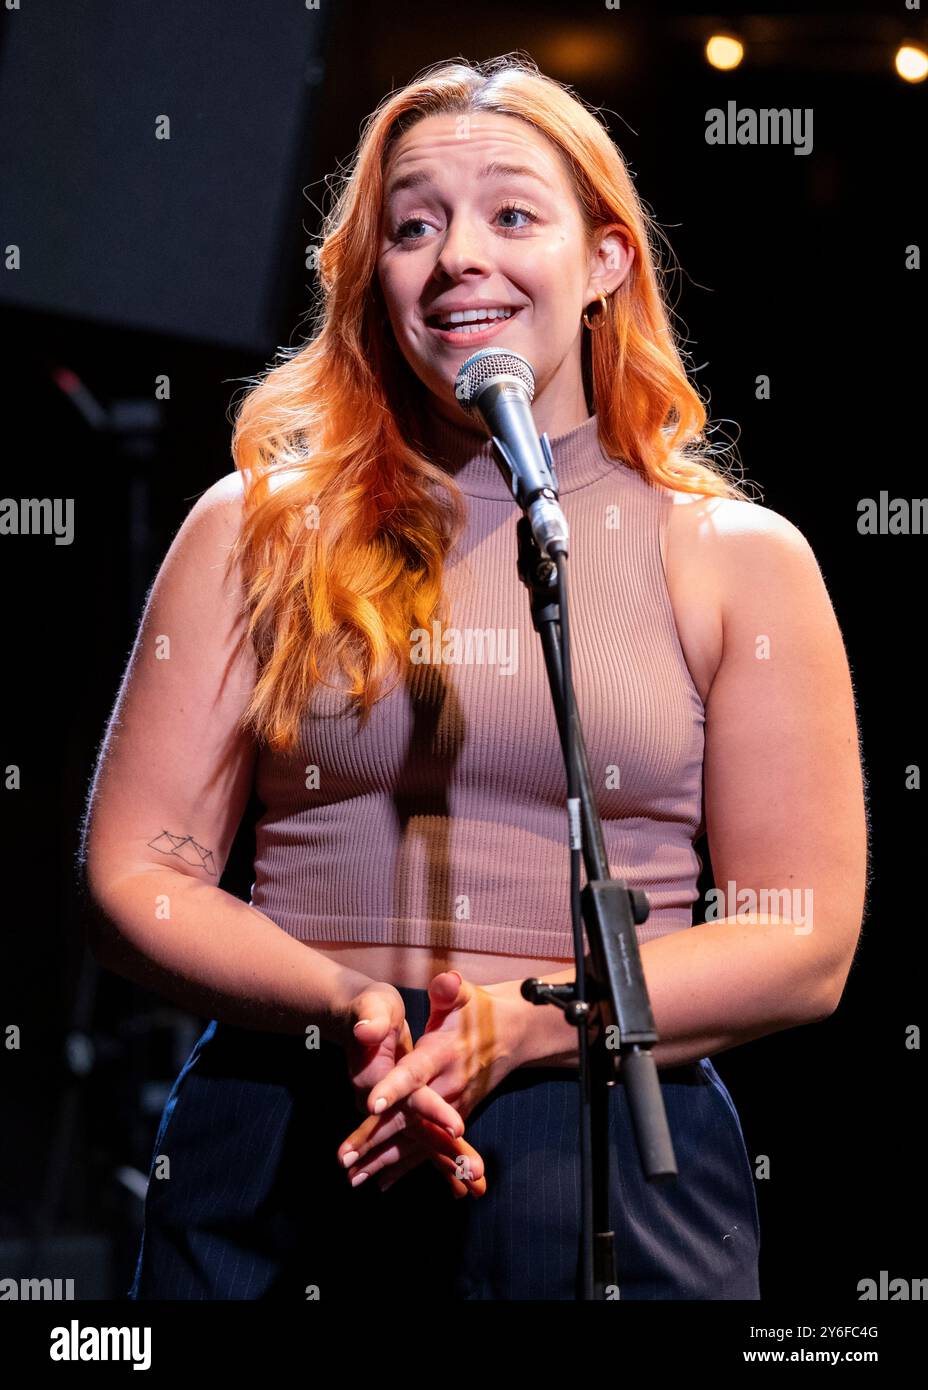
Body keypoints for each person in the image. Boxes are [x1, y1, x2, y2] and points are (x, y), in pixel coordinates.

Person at [80, 53, 867, 1301]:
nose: (457, 256)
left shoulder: (734, 558)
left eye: (512, 214)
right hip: (299, 1118)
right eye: (412, 225)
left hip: (602, 1128)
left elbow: (804, 938)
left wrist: (524, 1024)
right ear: (372, 273)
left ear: (605, 260)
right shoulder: (254, 528)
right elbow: (132, 871)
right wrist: (347, 1008)